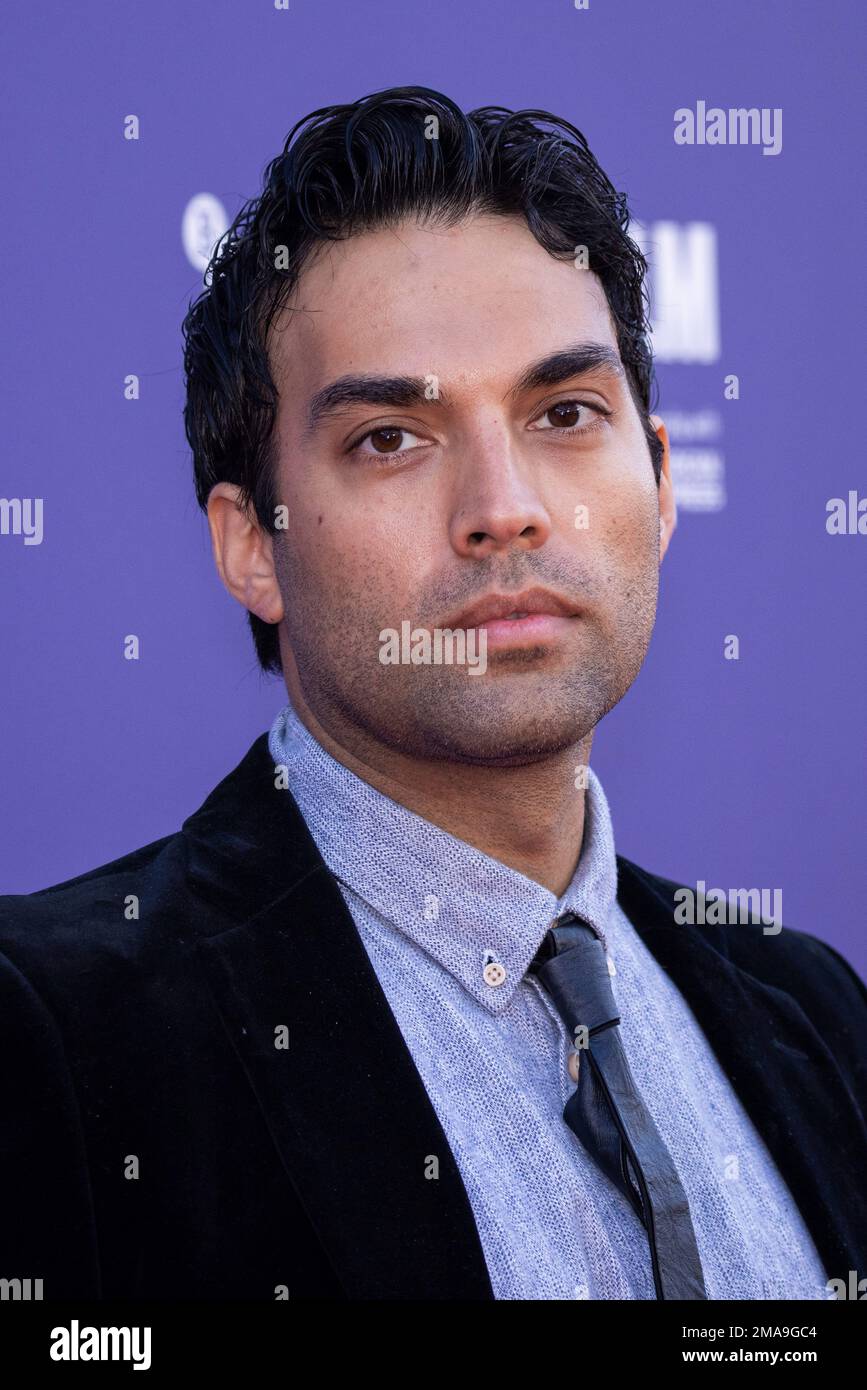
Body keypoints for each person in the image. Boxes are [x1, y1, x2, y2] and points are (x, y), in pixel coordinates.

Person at [1, 86, 864, 1302]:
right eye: (391, 438)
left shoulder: (816, 1014)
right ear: (253, 544)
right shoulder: (53, 1037)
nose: (504, 505)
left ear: (661, 484)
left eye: (566, 413)